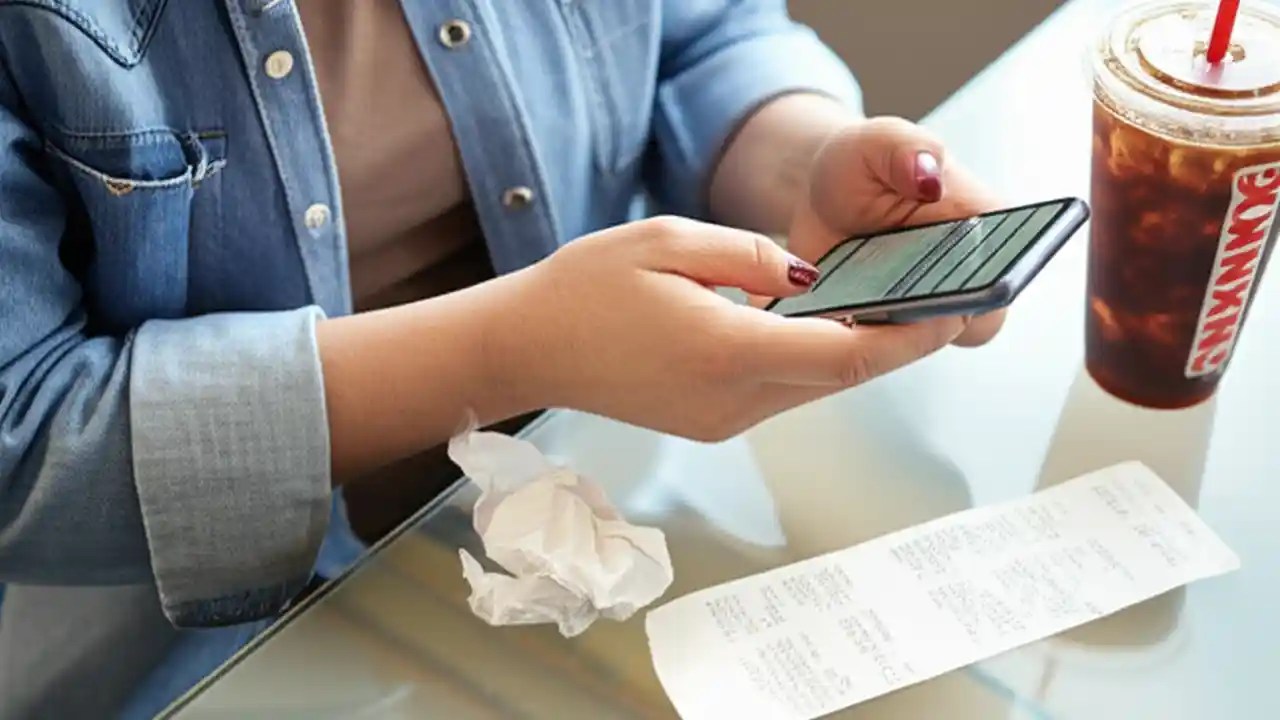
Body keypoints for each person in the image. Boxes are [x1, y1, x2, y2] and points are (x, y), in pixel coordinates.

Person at [0, 1, 1006, 717]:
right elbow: (22, 443)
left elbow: (699, 37)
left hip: (599, 536)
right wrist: (517, 349)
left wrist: (801, 165)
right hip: (206, 648)